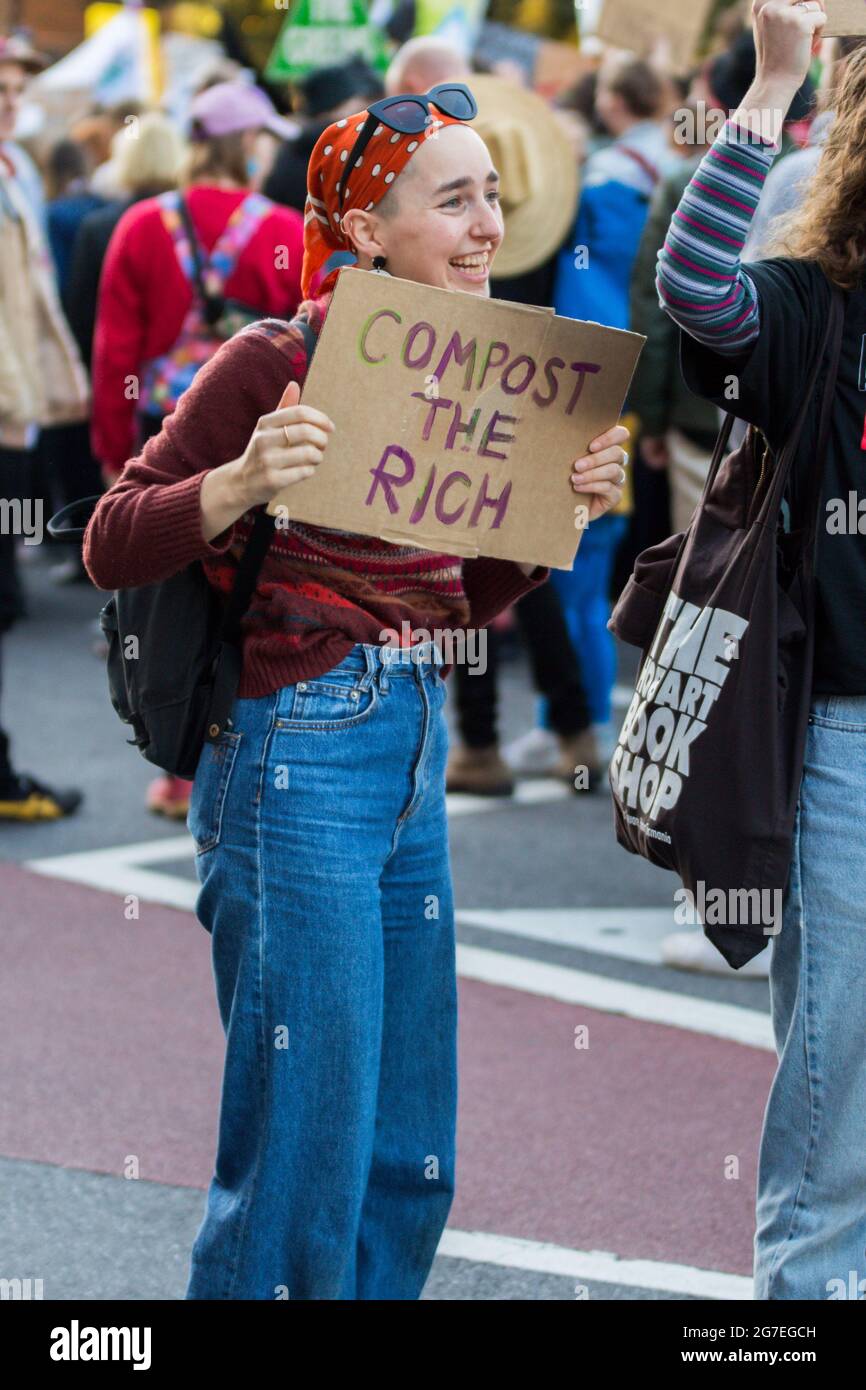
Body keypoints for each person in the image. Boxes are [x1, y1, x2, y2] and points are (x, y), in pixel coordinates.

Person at [82, 81, 629, 1299]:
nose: (489, 224)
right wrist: (231, 485)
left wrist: (556, 514)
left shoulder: (487, 363)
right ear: (365, 230)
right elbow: (111, 539)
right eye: (454, 200)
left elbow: (461, 593)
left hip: (404, 733)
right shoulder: (272, 357)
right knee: (304, 1149)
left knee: (405, 1147)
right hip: (289, 747)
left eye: (493, 194)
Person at [656, 0, 866, 1298]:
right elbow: (691, 285)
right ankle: (805, 1301)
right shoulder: (810, 311)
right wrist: (772, 85)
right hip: (846, 736)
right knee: (838, 1053)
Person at [90, 81, 304, 821]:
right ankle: (246, 739)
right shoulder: (282, 225)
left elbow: (115, 344)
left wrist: (114, 448)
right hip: (261, 429)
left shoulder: (143, 224)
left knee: (168, 600)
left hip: (163, 427)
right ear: (248, 144)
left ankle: (176, 764)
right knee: (248, 588)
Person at [0, 31, 87, 821]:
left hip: (16, 418)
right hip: (4, 414)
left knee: (2, 602)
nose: (9, 99)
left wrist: (55, 392)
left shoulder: (15, 170)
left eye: (14, 86)